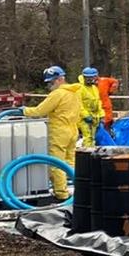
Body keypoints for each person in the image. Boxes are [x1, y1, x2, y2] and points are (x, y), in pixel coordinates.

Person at [20, 66, 81, 201]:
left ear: (60, 79)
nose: (50, 86)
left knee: (57, 164)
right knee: (70, 162)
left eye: (51, 82)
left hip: (59, 132)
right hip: (72, 130)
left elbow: (40, 111)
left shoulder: (57, 94)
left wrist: (24, 111)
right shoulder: (74, 92)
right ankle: (77, 190)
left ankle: (61, 194)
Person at [78, 67, 104, 146]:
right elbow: (78, 104)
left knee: (93, 138)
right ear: (84, 77)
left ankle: (91, 150)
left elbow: (98, 102)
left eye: (92, 77)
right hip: (83, 119)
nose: (90, 79)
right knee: (87, 137)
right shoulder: (80, 89)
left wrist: (101, 116)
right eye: (88, 77)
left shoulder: (94, 88)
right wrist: (86, 116)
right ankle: (87, 152)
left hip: (94, 118)